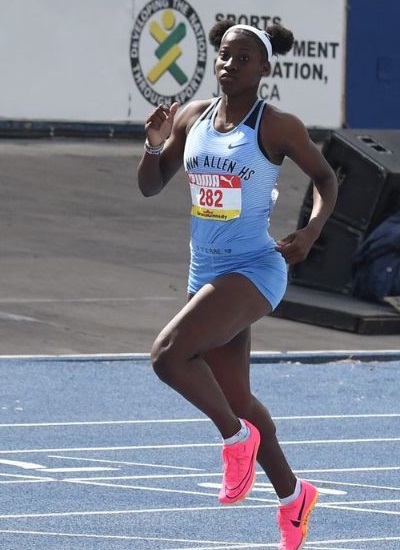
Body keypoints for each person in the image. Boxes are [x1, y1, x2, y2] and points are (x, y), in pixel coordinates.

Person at [136, 20, 337, 548]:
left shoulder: (276, 126)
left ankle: (234, 440)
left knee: (167, 356)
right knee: (238, 398)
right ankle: (294, 498)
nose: (229, 64)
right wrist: (155, 146)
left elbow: (327, 178)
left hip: (254, 268)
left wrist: (312, 230)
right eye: (224, 55)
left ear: (265, 69)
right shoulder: (189, 117)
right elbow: (151, 186)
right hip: (203, 270)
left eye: (243, 58)